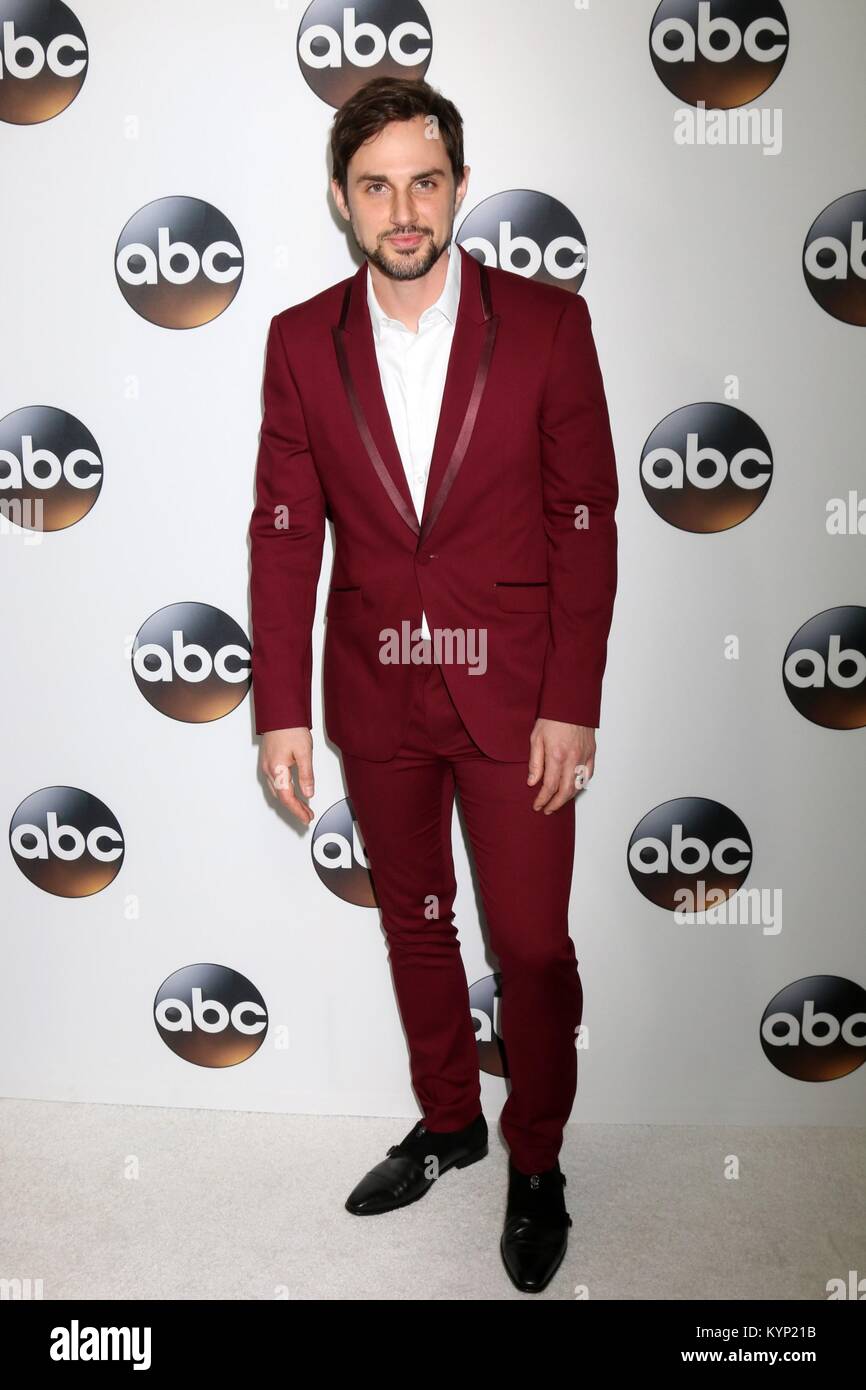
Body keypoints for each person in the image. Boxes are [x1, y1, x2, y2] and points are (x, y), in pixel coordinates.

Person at [248, 74, 618, 1294]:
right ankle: (451, 1120)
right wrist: (282, 708)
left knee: (531, 945)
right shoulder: (299, 340)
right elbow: (285, 531)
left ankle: (536, 1159)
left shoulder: (548, 324)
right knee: (413, 919)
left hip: (515, 696)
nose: (401, 211)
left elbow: (585, 520)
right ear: (341, 199)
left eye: (423, 182)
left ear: (458, 186)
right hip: (376, 693)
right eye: (376, 187)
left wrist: (571, 698)